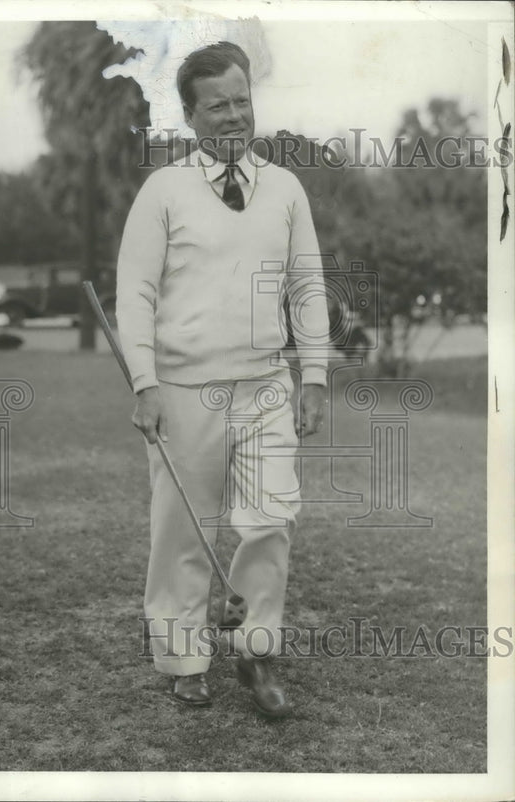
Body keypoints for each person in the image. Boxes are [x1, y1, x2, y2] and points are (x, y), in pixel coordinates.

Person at [116, 41, 329, 717]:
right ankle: (185, 660)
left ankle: (255, 651)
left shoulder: (285, 188)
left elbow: (307, 286)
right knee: (184, 530)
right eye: (218, 106)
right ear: (189, 115)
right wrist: (144, 382)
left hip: (265, 385)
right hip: (182, 389)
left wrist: (314, 374)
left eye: (242, 101)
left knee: (272, 519)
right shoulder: (163, 190)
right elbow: (135, 294)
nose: (234, 116)